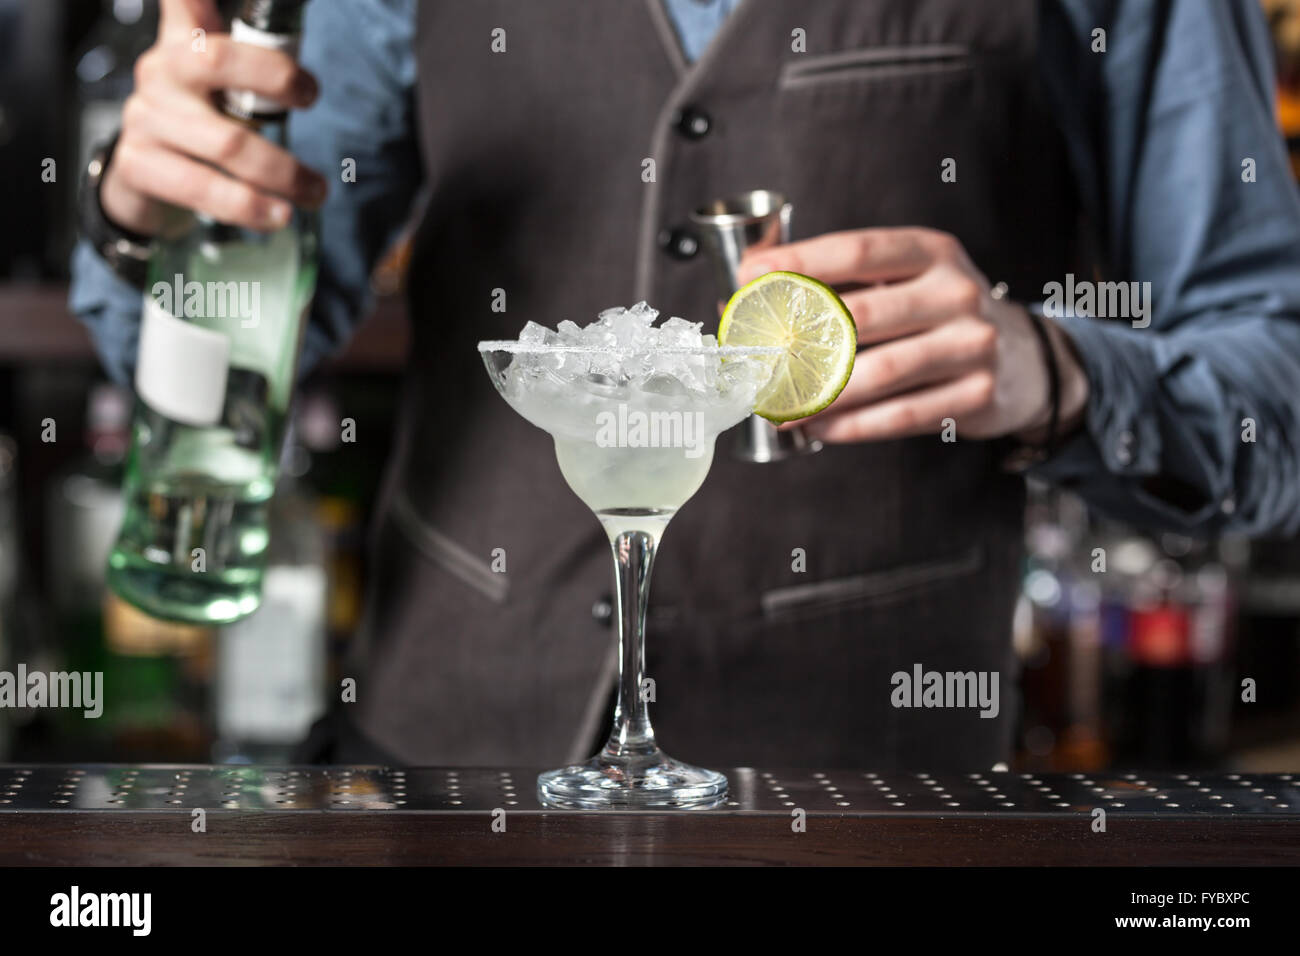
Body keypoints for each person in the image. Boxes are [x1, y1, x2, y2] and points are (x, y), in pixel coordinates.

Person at [72, 0, 1300, 770]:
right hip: (437, 772)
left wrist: (1062, 370)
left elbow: (1275, 387)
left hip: (875, 799)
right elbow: (234, 355)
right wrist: (158, 227)